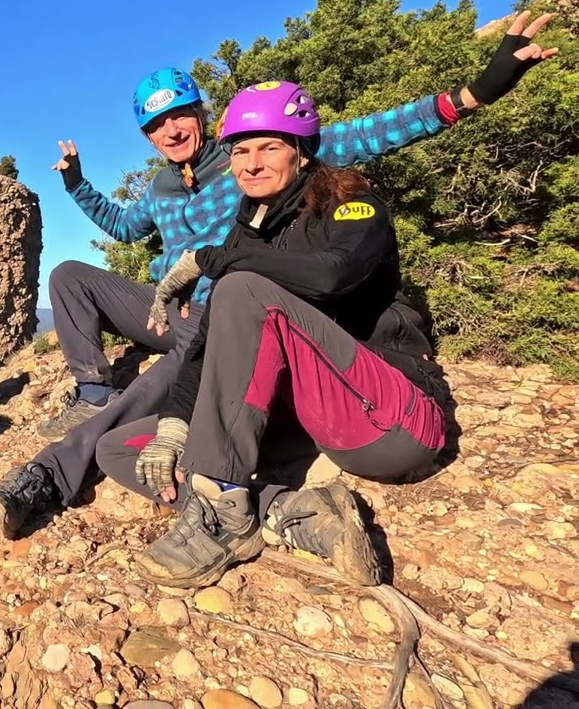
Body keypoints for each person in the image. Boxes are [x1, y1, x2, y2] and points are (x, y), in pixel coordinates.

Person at [0, 11, 558, 540]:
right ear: (148, 137)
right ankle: (94, 389)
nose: (172, 130)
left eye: (181, 114)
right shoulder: (159, 187)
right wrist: (76, 184)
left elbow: (369, 134)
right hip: (171, 308)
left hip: (228, 312)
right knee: (71, 274)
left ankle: (49, 475)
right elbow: (124, 227)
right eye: (157, 125)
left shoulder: (247, 156)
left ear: (202, 116)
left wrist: (471, 95)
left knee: (165, 382)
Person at [95, 80, 456, 589]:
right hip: (309, 418)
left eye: (270, 147)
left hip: (392, 421)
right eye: (240, 150)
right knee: (120, 447)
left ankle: (222, 516)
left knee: (241, 287)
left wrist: (209, 260)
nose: (251, 163)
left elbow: (332, 275)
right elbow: (208, 342)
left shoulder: (352, 204)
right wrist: (176, 427)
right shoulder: (250, 228)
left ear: (303, 153)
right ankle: (289, 510)